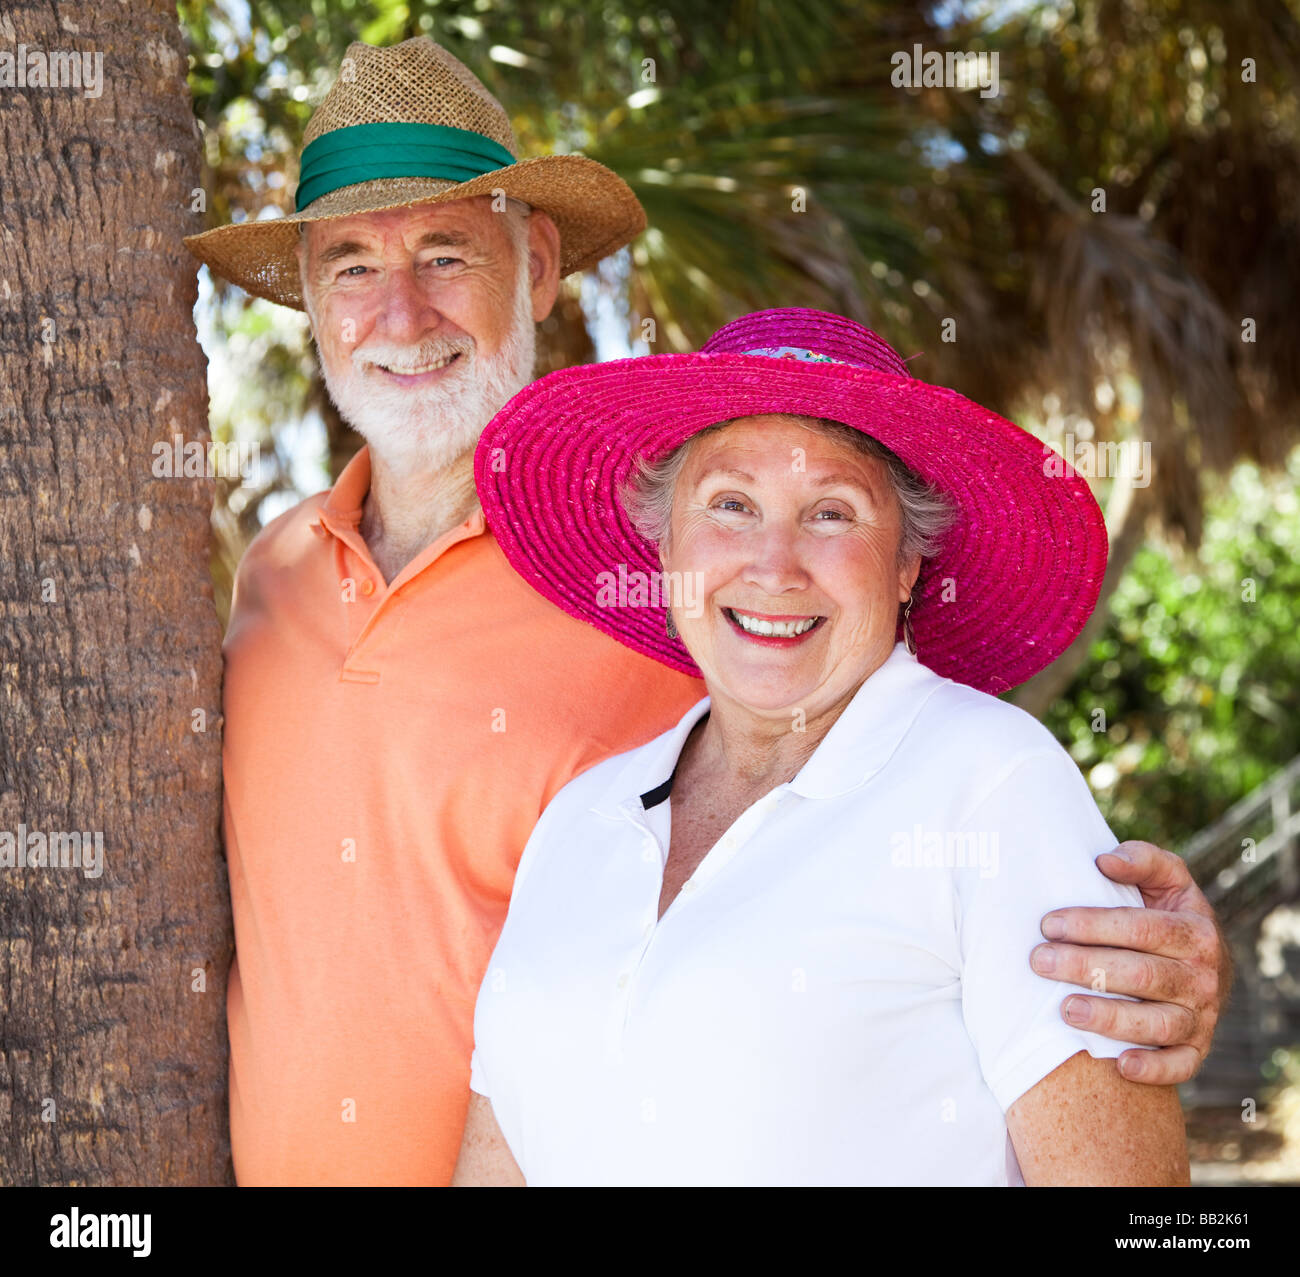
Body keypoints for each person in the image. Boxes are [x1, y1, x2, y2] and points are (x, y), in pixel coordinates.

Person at [184, 38, 1223, 1187]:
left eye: (444, 254)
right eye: (350, 269)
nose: (400, 312)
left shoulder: (678, 620)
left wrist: (1145, 967)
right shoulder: (264, 579)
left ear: (534, 266)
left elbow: (939, 856)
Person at [456, 309, 1192, 1185]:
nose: (775, 563)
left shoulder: (995, 783)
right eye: (730, 504)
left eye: (832, 512)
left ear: (908, 563)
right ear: (665, 544)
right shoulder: (580, 817)